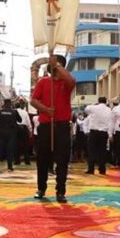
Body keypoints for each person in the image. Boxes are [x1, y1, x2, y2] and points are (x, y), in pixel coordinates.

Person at [30, 54, 75, 203]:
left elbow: (71, 80)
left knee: (62, 160)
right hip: (45, 125)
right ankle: (41, 188)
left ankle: (60, 191)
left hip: (62, 126)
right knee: (42, 159)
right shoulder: (43, 82)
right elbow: (34, 100)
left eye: (58, 64)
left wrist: (57, 66)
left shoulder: (66, 83)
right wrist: (46, 109)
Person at [85, 96, 113, 175]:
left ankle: (91, 169)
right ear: (105, 102)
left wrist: (94, 105)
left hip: (94, 132)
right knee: (102, 151)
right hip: (104, 132)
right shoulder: (109, 110)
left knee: (91, 151)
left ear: (98, 101)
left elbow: (86, 109)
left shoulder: (94, 108)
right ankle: (102, 169)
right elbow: (111, 122)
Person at [0, 99, 22, 172]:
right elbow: (20, 120)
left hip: (1, 133)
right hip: (11, 133)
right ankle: (10, 166)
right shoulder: (14, 112)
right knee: (10, 149)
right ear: (10, 104)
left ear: (4, 103)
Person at [16, 100, 32, 165]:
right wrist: (30, 130)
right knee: (26, 145)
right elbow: (28, 122)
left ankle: (17, 161)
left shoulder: (15, 111)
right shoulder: (25, 112)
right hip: (24, 128)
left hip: (16, 128)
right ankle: (27, 161)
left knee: (17, 145)